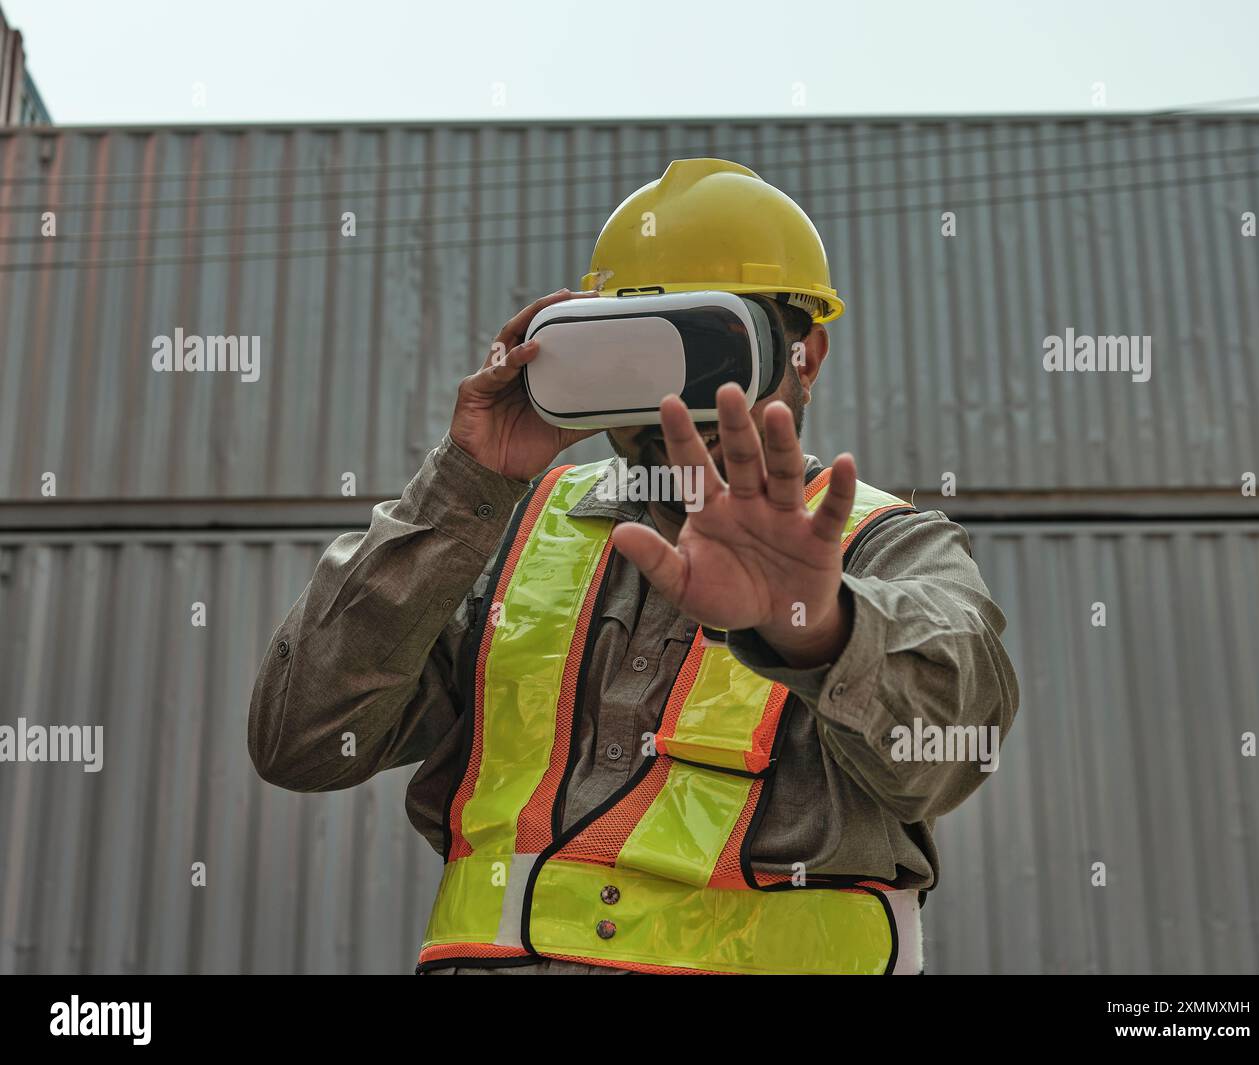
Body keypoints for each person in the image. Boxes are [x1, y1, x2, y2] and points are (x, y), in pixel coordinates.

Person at [248, 158, 1019, 974]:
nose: (677, 398)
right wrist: (467, 480)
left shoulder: (883, 543)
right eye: (642, 351)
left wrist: (817, 625)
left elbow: (950, 749)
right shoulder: (506, 533)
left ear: (806, 356)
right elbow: (301, 739)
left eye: (716, 349)